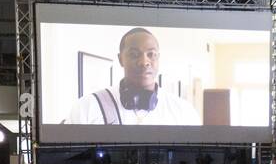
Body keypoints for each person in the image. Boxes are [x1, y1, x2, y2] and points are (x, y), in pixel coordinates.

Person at [66, 28, 200, 127]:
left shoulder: (184, 112)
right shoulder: (87, 107)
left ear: (158, 58)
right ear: (120, 59)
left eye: (151, 54)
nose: (144, 62)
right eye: (134, 54)